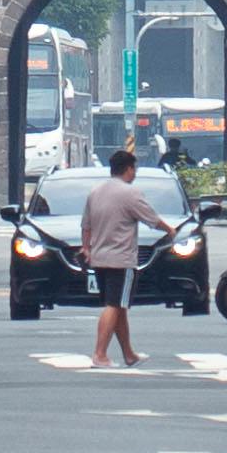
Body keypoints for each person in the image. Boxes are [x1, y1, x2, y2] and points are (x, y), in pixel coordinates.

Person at [71, 145, 155, 366]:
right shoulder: (131, 193)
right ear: (128, 169)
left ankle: (128, 354)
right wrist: (171, 230)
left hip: (99, 258)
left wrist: (86, 248)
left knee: (118, 306)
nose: (134, 174)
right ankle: (99, 354)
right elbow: (152, 219)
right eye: (134, 169)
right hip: (122, 260)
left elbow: (86, 226)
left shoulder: (95, 192)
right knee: (115, 305)